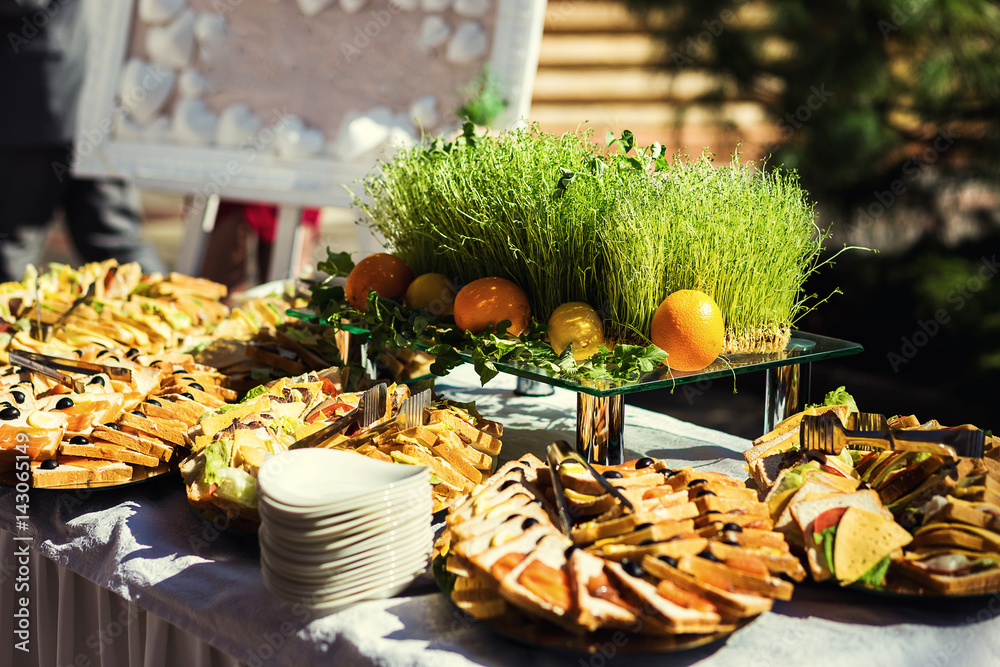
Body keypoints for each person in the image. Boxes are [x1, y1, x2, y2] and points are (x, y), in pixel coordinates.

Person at [0, 0, 166, 283]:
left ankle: (176, 312)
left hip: (38, 104)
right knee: (115, 240)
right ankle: (175, 311)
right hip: (89, 102)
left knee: (9, 247)